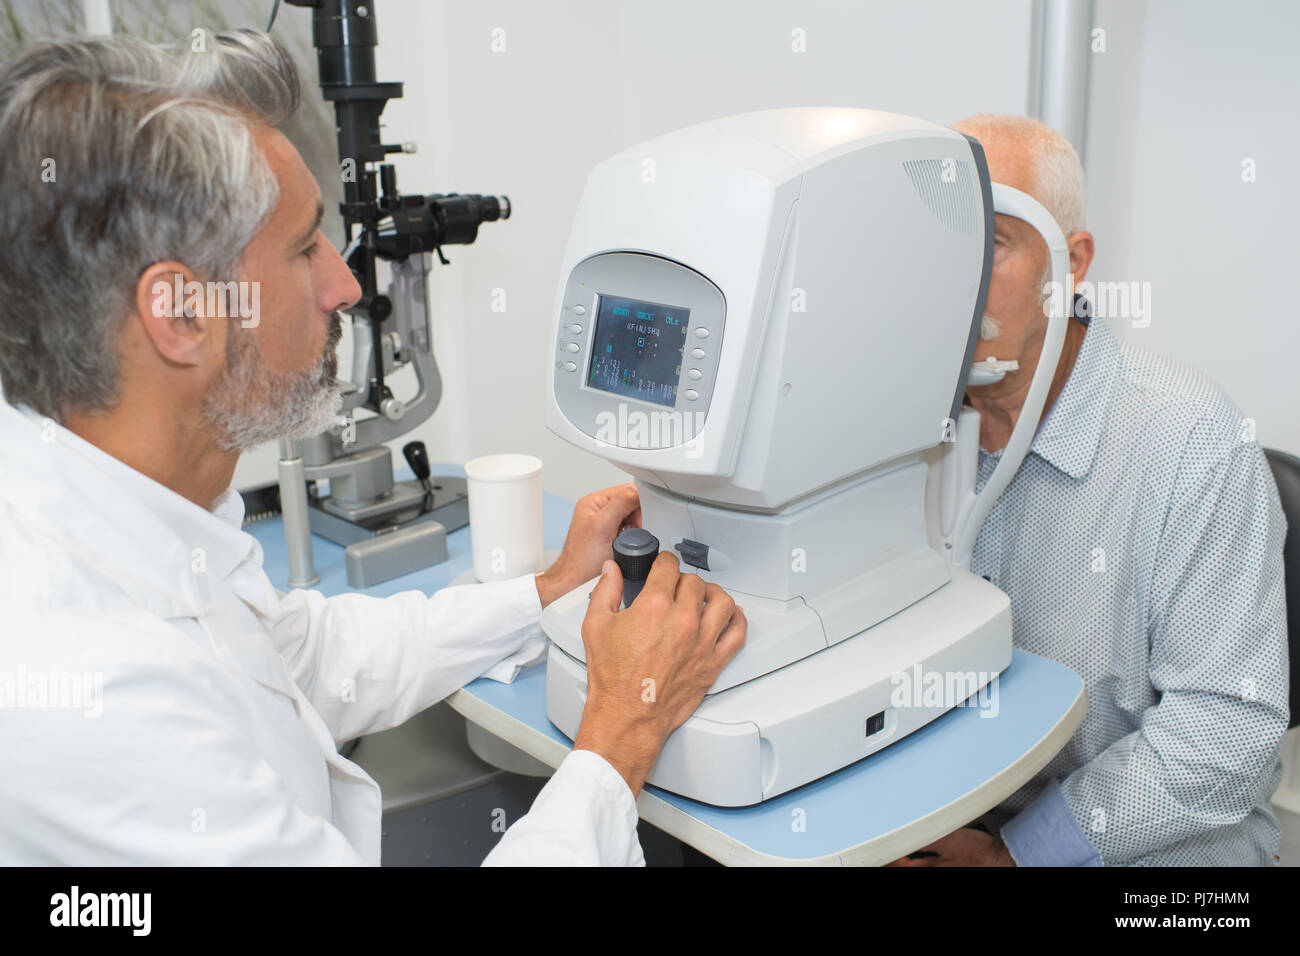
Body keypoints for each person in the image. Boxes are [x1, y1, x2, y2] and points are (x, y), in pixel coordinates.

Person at [0, 30, 745, 865]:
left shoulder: (122, 509)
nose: (345, 286)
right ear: (180, 317)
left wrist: (548, 591)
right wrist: (620, 736)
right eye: (302, 247)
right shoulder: (94, 698)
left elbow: (308, 659)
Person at [891, 114, 1288, 866]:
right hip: (953, 823)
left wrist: (1018, 855)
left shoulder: (1190, 441)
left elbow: (1225, 729)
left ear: (1069, 266)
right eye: (941, 243)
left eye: (994, 243)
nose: (956, 277)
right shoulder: (903, 430)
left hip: (1161, 853)